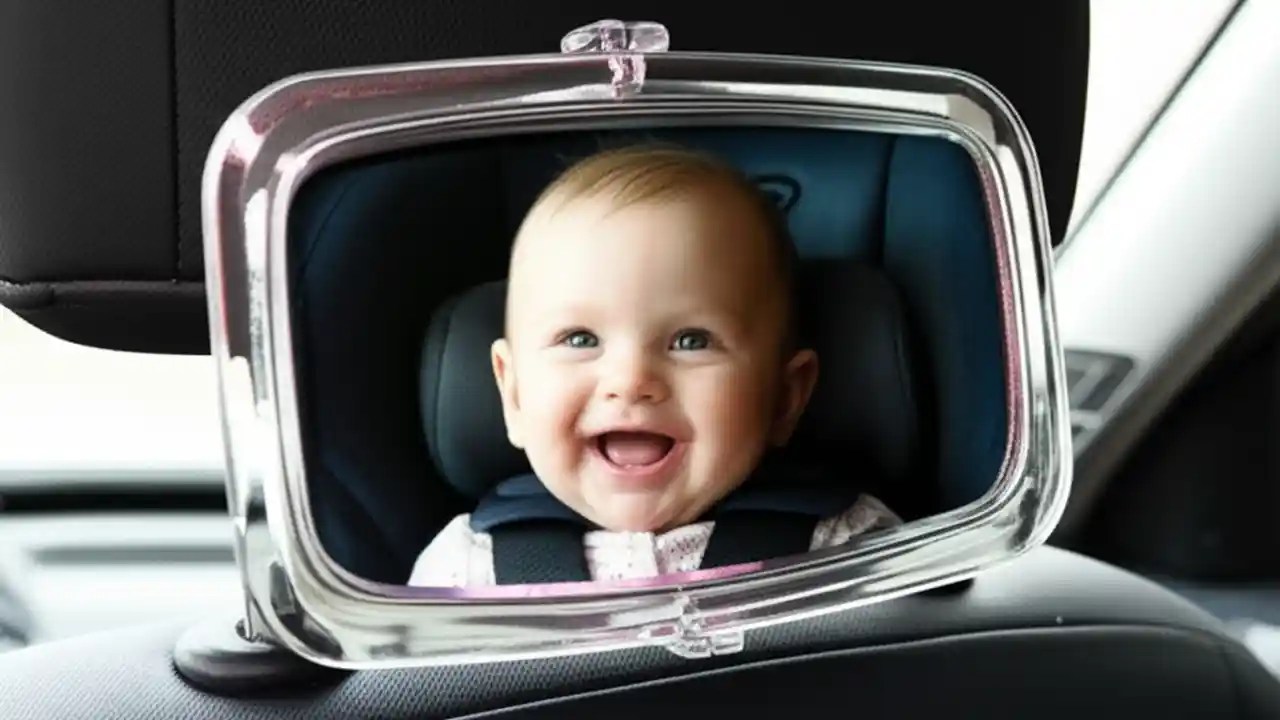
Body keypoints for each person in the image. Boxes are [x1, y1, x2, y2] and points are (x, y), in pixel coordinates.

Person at [409, 144, 899, 587]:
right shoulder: (464, 572)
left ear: (784, 397)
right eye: (580, 338)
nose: (631, 381)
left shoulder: (848, 551)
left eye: (691, 340)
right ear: (513, 395)